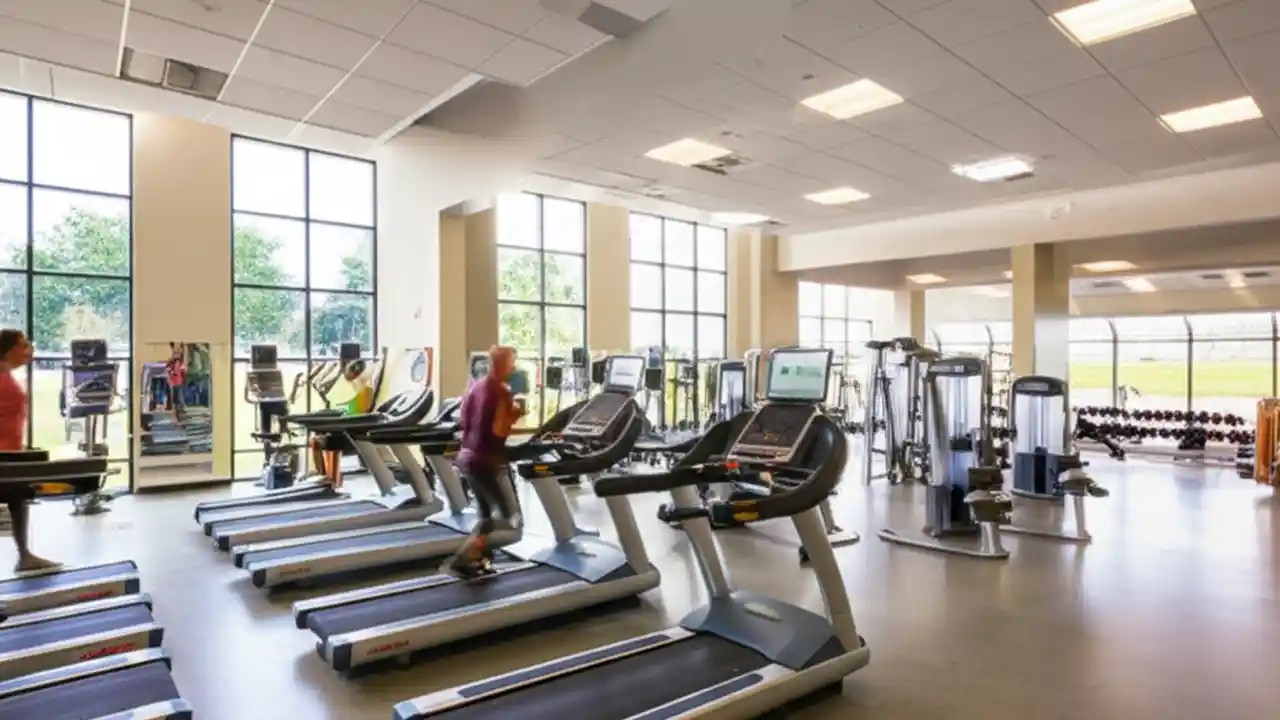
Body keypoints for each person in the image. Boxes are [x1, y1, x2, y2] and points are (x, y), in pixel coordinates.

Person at [446, 345, 526, 579]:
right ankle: (465, 557)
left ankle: (479, 559)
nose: (513, 367)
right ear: (504, 365)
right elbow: (499, 429)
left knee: (485, 515)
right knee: (507, 517)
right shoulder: (501, 392)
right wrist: (516, 413)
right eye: (512, 363)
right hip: (485, 461)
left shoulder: (476, 387)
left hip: (467, 458)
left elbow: (463, 421)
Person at [0, 329, 60, 572]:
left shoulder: (7, 376)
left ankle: (25, 556)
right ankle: (24, 555)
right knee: (18, 496)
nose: (29, 351)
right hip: (4, 458)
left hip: (12, 455)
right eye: (23, 346)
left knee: (20, 497)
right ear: (10, 348)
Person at [309, 359, 374, 489]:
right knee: (318, 437)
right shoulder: (356, 388)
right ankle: (327, 478)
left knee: (316, 441)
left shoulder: (365, 390)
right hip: (346, 430)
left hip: (352, 436)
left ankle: (326, 479)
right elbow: (345, 408)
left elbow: (355, 412)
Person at [165, 343, 187, 422]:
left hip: (177, 382)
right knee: (176, 400)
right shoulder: (172, 363)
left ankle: (180, 415)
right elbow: (168, 369)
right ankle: (179, 415)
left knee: (178, 399)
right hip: (175, 382)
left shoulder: (179, 362)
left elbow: (183, 370)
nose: (176, 354)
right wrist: (171, 372)